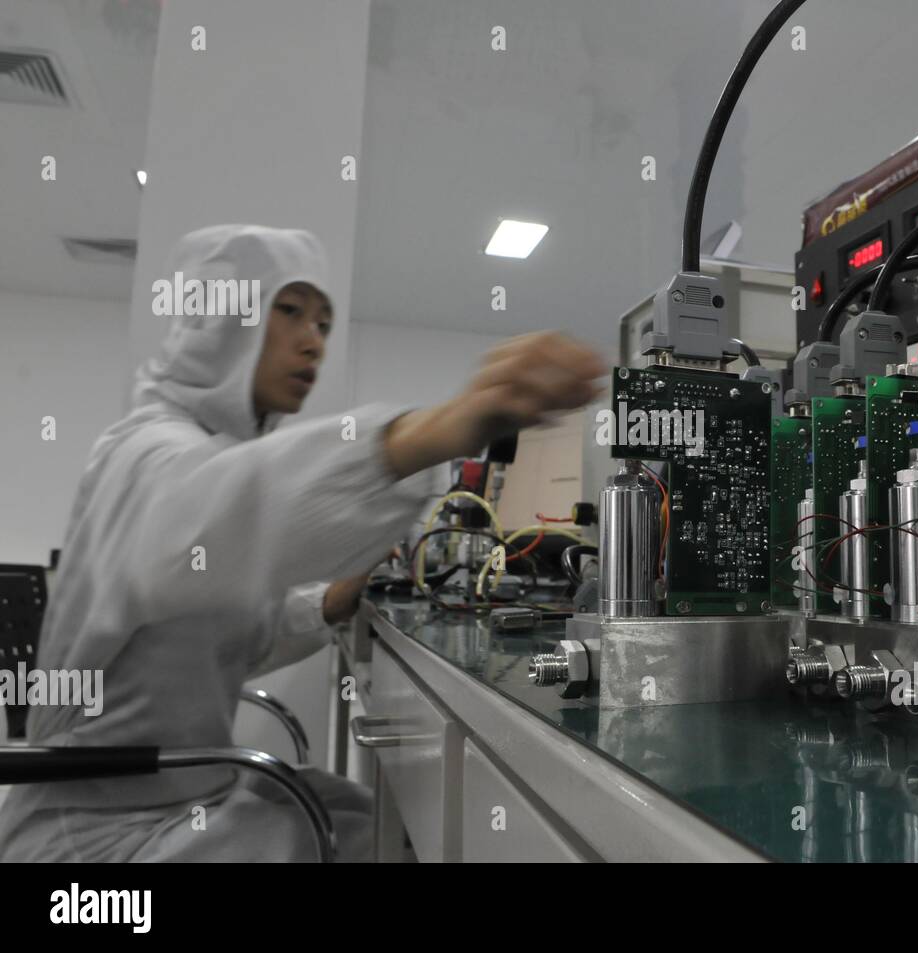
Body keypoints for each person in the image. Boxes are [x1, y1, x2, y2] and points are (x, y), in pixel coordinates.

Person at [0, 224, 604, 861]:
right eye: (289, 310)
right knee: (400, 840)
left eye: (323, 323)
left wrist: (327, 603)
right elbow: (217, 512)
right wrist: (436, 429)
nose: (313, 340)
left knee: (392, 825)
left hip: (187, 792)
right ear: (216, 317)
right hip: (98, 833)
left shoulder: (204, 453)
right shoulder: (140, 452)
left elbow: (235, 627)